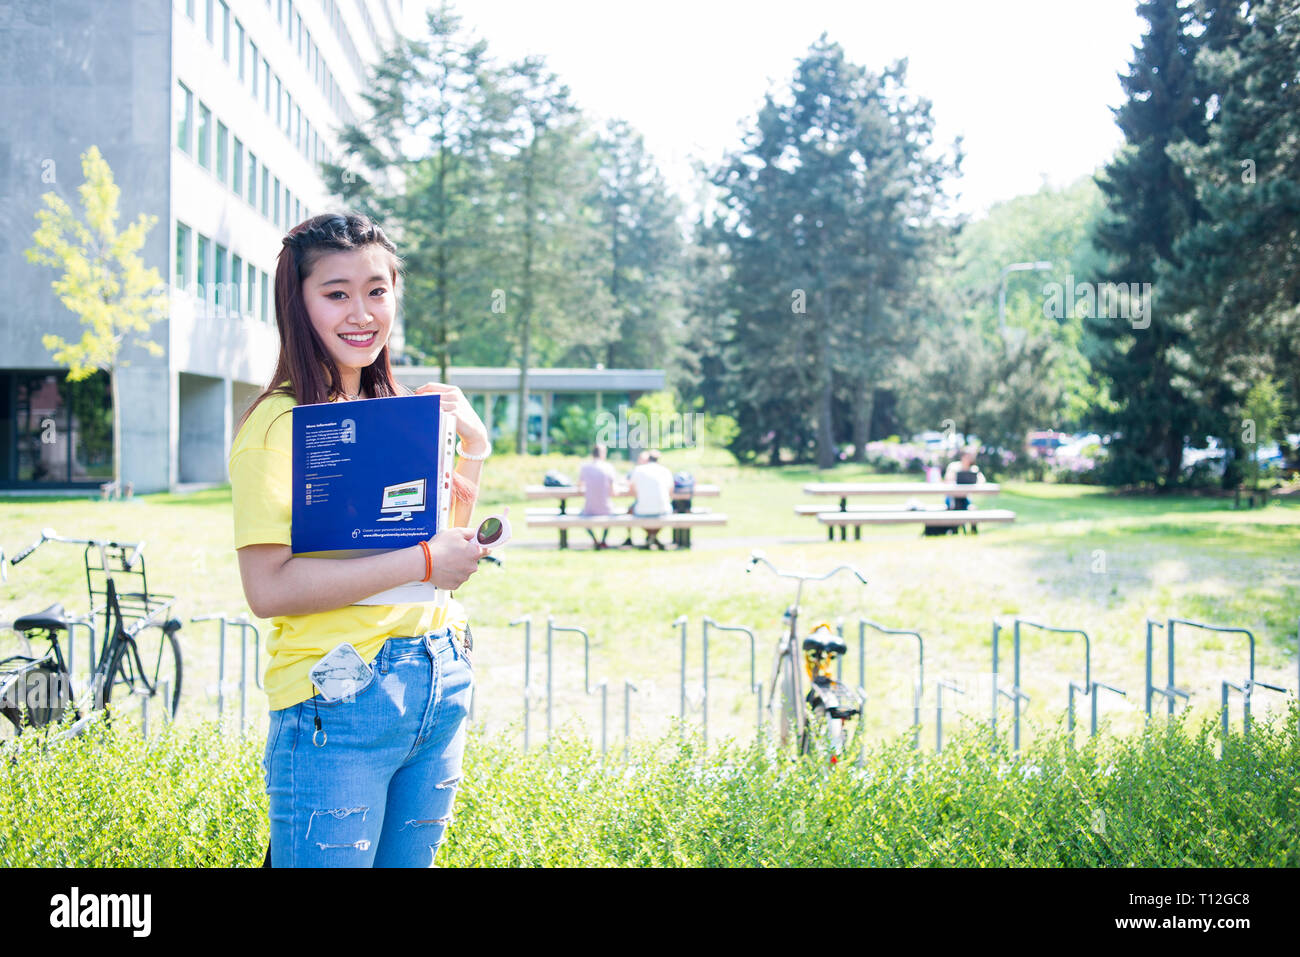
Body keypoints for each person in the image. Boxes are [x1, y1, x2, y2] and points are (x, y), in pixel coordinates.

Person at [229, 212, 491, 868]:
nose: (361, 311)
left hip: (437, 680)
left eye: (377, 290)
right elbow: (268, 589)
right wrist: (429, 558)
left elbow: (421, 552)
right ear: (299, 302)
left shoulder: (396, 414)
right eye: (336, 292)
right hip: (340, 697)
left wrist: (473, 454)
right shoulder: (277, 424)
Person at [577, 442, 624, 549]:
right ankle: (603, 540)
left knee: (580, 516)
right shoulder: (608, 467)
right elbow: (614, 492)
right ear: (603, 454)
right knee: (612, 513)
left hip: (589, 509)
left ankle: (595, 540)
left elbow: (579, 487)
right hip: (606, 509)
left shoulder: (585, 467)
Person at [628, 449, 674, 549]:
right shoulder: (665, 470)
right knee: (668, 510)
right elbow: (671, 490)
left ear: (648, 459)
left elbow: (631, 489)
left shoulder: (638, 469)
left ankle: (647, 537)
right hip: (663, 511)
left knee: (630, 510)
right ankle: (653, 537)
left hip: (642, 510)